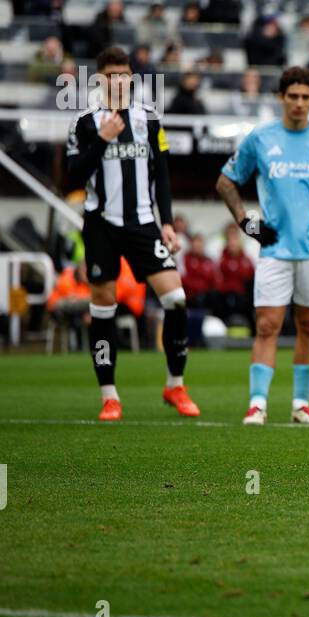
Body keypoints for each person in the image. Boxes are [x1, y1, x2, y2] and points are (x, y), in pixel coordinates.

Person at [216, 66, 309, 425]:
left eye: (305, 97)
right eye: (293, 96)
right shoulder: (261, 138)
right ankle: (258, 404)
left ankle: (301, 403)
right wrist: (245, 222)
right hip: (274, 250)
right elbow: (225, 182)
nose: (299, 103)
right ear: (281, 98)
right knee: (267, 325)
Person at [63, 46, 201, 422]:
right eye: (111, 76)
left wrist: (167, 221)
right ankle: (110, 395)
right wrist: (103, 139)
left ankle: (175, 384)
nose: (119, 82)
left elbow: (163, 175)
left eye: (125, 75)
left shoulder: (150, 120)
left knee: (175, 297)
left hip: (142, 223)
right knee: (103, 306)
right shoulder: (85, 122)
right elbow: (72, 178)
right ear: (100, 80)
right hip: (101, 224)